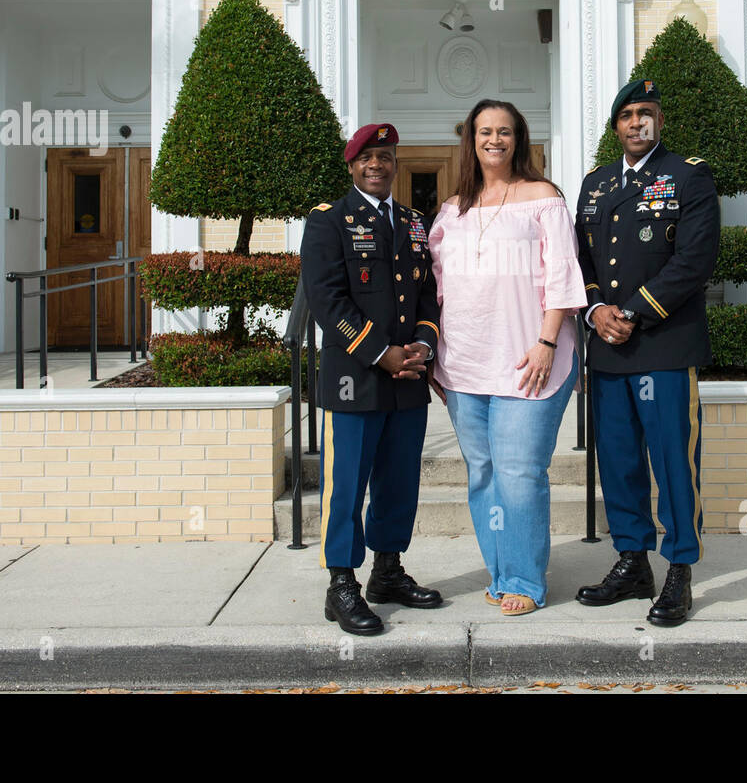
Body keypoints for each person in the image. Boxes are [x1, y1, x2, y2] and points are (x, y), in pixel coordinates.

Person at [427, 99, 586, 616]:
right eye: (484, 131)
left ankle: (524, 578)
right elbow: (434, 285)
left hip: (528, 360)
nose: (494, 139)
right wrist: (431, 353)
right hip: (464, 364)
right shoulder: (453, 208)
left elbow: (563, 274)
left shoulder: (543, 198)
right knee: (483, 472)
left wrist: (545, 341)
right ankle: (500, 570)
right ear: (470, 141)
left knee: (519, 472)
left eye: (504, 131)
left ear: (519, 138)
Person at [573, 78, 720, 627]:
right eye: (628, 114)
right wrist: (594, 312)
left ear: (660, 121)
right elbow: (579, 261)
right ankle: (632, 561)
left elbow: (695, 260)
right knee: (619, 462)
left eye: (647, 113)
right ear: (616, 126)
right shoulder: (596, 183)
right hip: (607, 350)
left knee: (673, 462)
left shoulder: (688, 176)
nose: (637, 122)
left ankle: (679, 569)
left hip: (661, 342)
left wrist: (631, 311)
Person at [300, 122, 443, 636]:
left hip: (407, 376)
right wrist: (381, 353)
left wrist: (423, 345)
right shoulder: (328, 221)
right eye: (367, 158)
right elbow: (326, 300)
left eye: (385, 156)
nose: (377, 165)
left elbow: (427, 293)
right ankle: (341, 583)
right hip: (355, 376)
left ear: (394, 163)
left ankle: (387, 571)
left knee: (398, 480)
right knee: (348, 485)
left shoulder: (412, 222)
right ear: (352, 165)